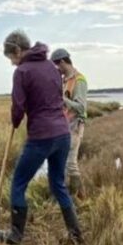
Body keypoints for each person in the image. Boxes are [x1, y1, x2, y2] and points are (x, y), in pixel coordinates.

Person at [0, 30, 83, 245]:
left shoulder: (22, 71)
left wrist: (14, 121)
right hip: (62, 134)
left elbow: (18, 106)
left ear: (17, 51)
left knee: (18, 184)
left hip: (41, 137)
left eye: (11, 58)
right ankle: (76, 234)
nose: (12, 63)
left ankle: (15, 235)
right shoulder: (52, 67)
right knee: (58, 183)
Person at [50, 47, 87, 197]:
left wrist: (62, 99)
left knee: (70, 163)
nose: (56, 69)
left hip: (75, 125)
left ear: (64, 62)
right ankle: (72, 197)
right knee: (63, 163)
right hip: (65, 126)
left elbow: (81, 107)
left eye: (57, 65)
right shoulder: (65, 80)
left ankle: (80, 198)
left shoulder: (79, 80)